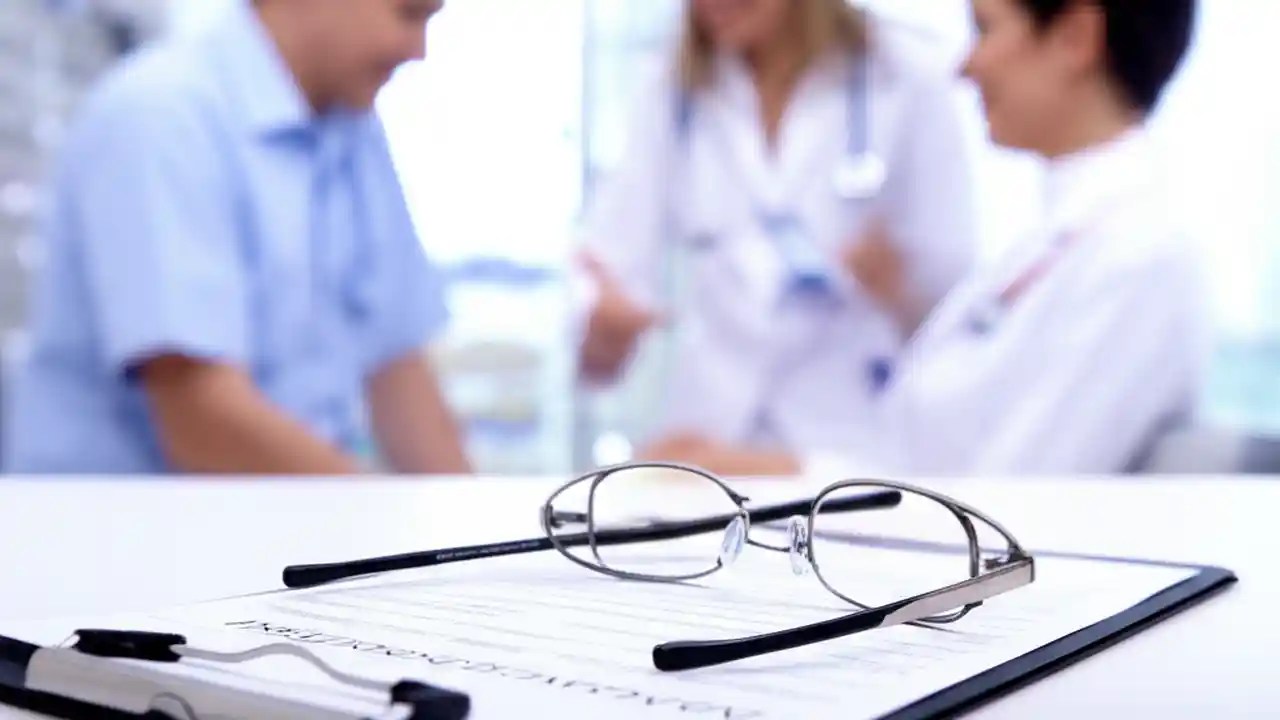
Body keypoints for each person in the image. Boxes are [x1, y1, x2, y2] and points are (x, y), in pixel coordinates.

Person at [2, 0, 471, 475]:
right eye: (409, 15)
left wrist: (487, 541)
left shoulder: (352, 134)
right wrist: (385, 525)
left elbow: (401, 374)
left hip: (283, 515)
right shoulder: (160, 117)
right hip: (126, 535)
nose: (419, 50)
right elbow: (203, 422)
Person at [575, 0, 978, 476]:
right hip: (709, 432)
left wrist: (900, 283)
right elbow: (610, 270)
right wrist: (604, 328)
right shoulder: (672, 88)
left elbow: (957, 305)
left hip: (853, 429)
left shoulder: (904, 75)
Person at [840, 0, 1204, 476]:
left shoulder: (1141, 256)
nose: (966, 66)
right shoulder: (1057, 240)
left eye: (985, 29)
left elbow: (1011, 500)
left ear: (1077, 38)